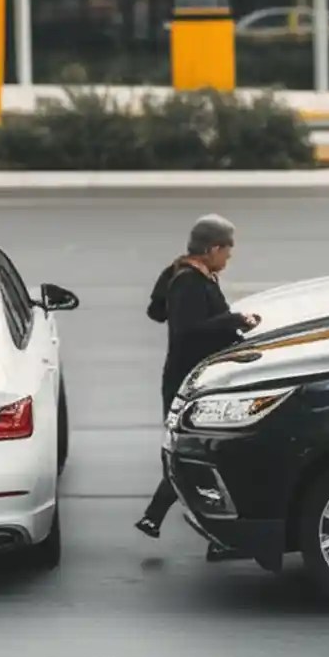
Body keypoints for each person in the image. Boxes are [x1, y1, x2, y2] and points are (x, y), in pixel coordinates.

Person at [135, 214, 260, 560]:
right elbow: (188, 331)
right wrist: (234, 320)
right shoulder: (189, 281)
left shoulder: (189, 274)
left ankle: (156, 518)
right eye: (227, 251)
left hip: (196, 378)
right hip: (188, 382)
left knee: (191, 453)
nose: (229, 259)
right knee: (194, 454)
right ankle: (212, 532)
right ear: (212, 248)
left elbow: (156, 311)